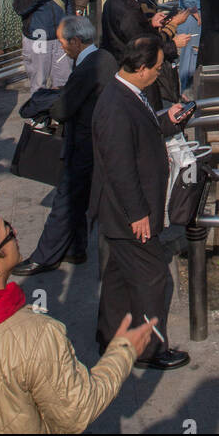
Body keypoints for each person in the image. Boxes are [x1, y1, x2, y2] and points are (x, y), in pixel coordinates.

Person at [0, 204, 155, 433]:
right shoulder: (37, 335)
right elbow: (77, 411)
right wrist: (123, 351)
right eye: (8, 232)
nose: (15, 230)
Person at [90, 37, 193, 371]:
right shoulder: (116, 106)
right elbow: (120, 168)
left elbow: (142, 132)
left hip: (123, 213)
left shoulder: (126, 95)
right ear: (141, 68)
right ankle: (148, 349)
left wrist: (168, 121)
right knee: (152, 277)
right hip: (130, 213)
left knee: (119, 277)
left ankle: (110, 336)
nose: (159, 73)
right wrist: (138, 214)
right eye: (157, 68)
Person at [13, 17, 118, 278]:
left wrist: (56, 99)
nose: (61, 48)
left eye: (62, 42)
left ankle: (44, 256)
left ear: (75, 41)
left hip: (83, 142)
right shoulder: (105, 57)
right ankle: (76, 247)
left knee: (65, 201)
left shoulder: (86, 69)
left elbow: (61, 110)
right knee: (78, 200)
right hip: (97, 140)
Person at [101, 0, 189, 69]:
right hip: (128, 68)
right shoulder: (129, 10)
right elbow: (141, 48)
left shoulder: (111, 1)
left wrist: (150, 24)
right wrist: (174, 44)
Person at [13, 0, 75, 93]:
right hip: (38, 39)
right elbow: (20, 9)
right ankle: (40, 114)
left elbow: (70, 3)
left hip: (61, 38)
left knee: (64, 81)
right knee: (38, 83)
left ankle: (61, 112)